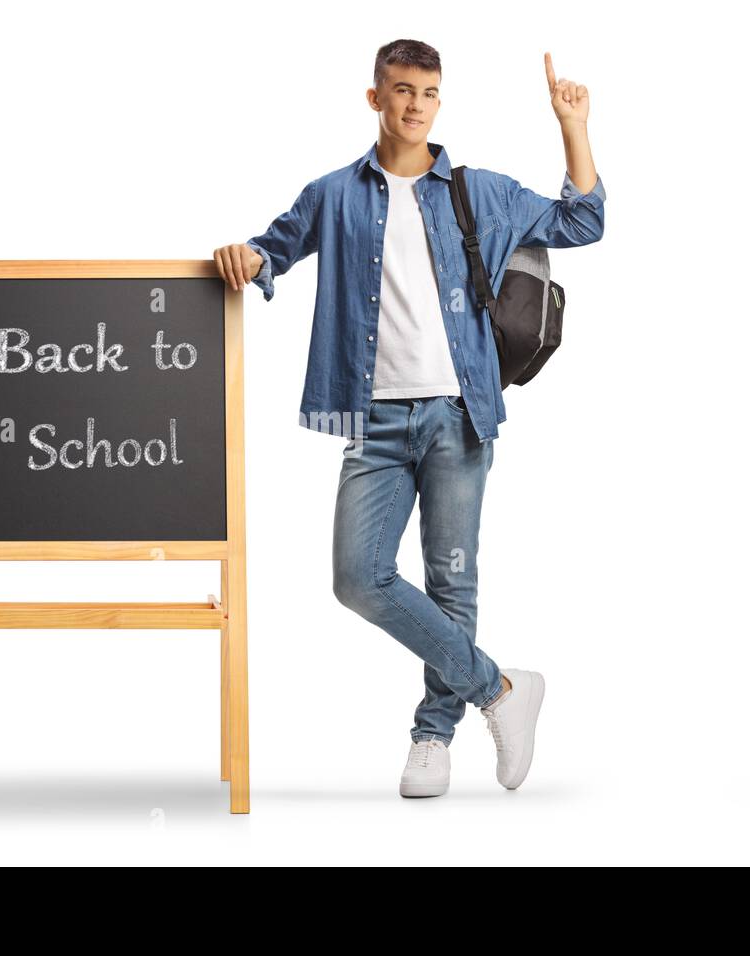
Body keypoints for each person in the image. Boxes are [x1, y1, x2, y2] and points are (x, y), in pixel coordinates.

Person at [213, 39, 606, 797]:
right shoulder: (333, 193)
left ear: (438, 100)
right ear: (375, 98)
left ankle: (433, 737)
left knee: (452, 585)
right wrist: (244, 258)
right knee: (358, 578)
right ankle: (500, 690)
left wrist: (572, 127)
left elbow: (581, 220)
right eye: (401, 90)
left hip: (459, 414)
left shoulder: (477, 191)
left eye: (428, 92)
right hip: (375, 421)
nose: (415, 104)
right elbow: (273, 251)